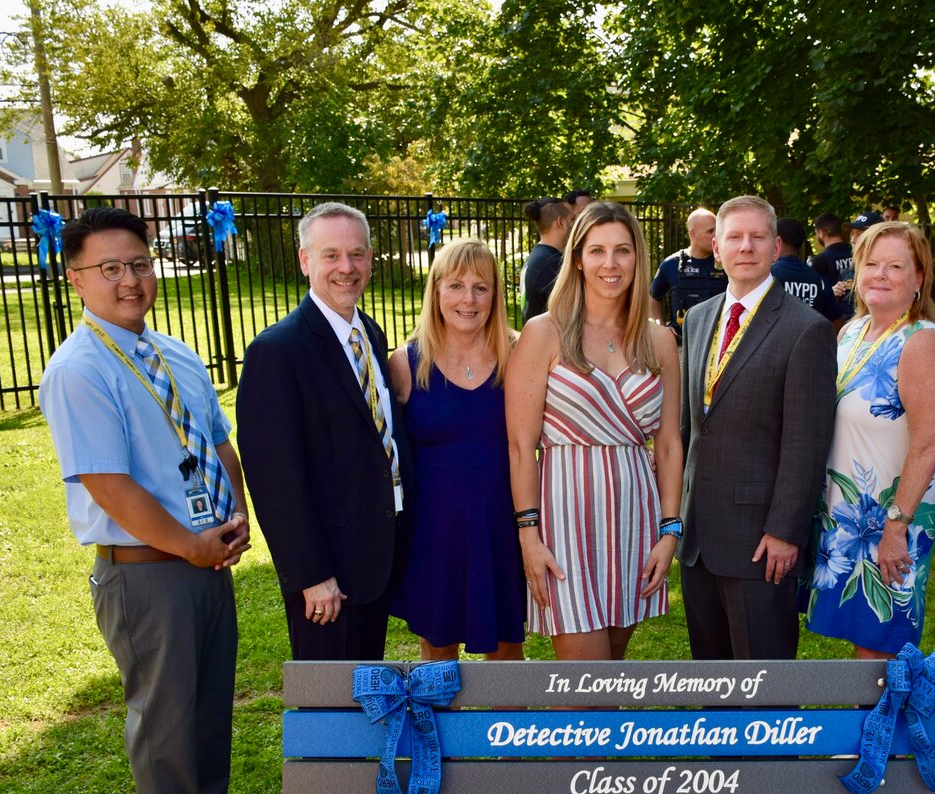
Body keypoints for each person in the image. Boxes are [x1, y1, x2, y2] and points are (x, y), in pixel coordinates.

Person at [38, 206, 277, 794]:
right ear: (76, 278)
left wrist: (235, 515)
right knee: (164, 709)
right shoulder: (80, 369)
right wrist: (188, 545)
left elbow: (218, 441)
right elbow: (110, 484)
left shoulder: (174, 353)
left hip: (203, 558)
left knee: (206, 693)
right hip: (147, 572)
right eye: (109, 268)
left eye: (139, 263)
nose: (130, 280)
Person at [506, 201, 684, 659]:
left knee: (611, 674)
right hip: (564, 520)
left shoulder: (659, 340)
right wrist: (529, 532)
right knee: (584, 687)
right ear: (578, 258)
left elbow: (667, 444)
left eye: (622, 250)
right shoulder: (544, 333)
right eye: (597, 250)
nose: (610, 263)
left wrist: (670, 531)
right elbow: (522, 446)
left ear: (637, 258)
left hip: (635, 518)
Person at [236, 202, 412, 662]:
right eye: (331, 255)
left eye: (356, 254)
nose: (346, 267)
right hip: (327, 571)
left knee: (363, 685)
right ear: (305, 261)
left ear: (371, 258)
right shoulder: (277, 352)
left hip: (373, 551)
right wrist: (311, 574)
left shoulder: (369, 334)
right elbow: (274, 479)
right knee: (330, 707)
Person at [679, 195, 837, 660]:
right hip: (699, 540)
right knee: (713, 682)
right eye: (734, 237)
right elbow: (693, 428)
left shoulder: (805, 329)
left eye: (757, 237)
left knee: (762, 689)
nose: (745, 246)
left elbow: (806, 443)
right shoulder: (699, 319)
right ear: (717, 245)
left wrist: (785, 531)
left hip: (760, 543)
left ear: (775, 247)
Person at [805, 222, 935, 657]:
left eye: (895, 265)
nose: (881, 274)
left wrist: (896, 526)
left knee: (878, 647)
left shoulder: (922, 341)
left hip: (891, 519)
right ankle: (868, 723)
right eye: (871, 264)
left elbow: (930, 444)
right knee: (861, 645)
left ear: (919, 278)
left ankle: (882, 726)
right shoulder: (852, 332)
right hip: (847, 516)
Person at [389, 238, 525, 662]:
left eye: (481, 287)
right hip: (433, 530)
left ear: (496, 295)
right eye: (456, 285)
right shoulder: (405, 363)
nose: (469, 299)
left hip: (501, 523)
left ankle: (509, 731)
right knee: (437, 651)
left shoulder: (519, 354)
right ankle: (441, 731)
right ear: (436, 291)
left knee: (507, 650)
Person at [649, 207, 728, 339]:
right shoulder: (671, 264)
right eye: (710, 231)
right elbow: (653, 297)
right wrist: (661, 329)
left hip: (718, 341)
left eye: (717, 230)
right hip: (682, 343)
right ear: (693, 234)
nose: (716, 235)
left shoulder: (727, 263)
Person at [770, 217, 837, 322]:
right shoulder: (820, 281)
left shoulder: (767, 276)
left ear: (777, 241)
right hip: (812, 337)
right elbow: (836, 321)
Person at [520, 197, 571, 323]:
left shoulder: (541, 255)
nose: (577, 225)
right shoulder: (550, 262)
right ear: (561, 222)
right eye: (574, 219)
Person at [810, 212, 855, 330]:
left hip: (834, 321)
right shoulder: (856, 254)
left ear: (821, 232)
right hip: (859, 316)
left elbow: (815, 293)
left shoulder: (820, 260)